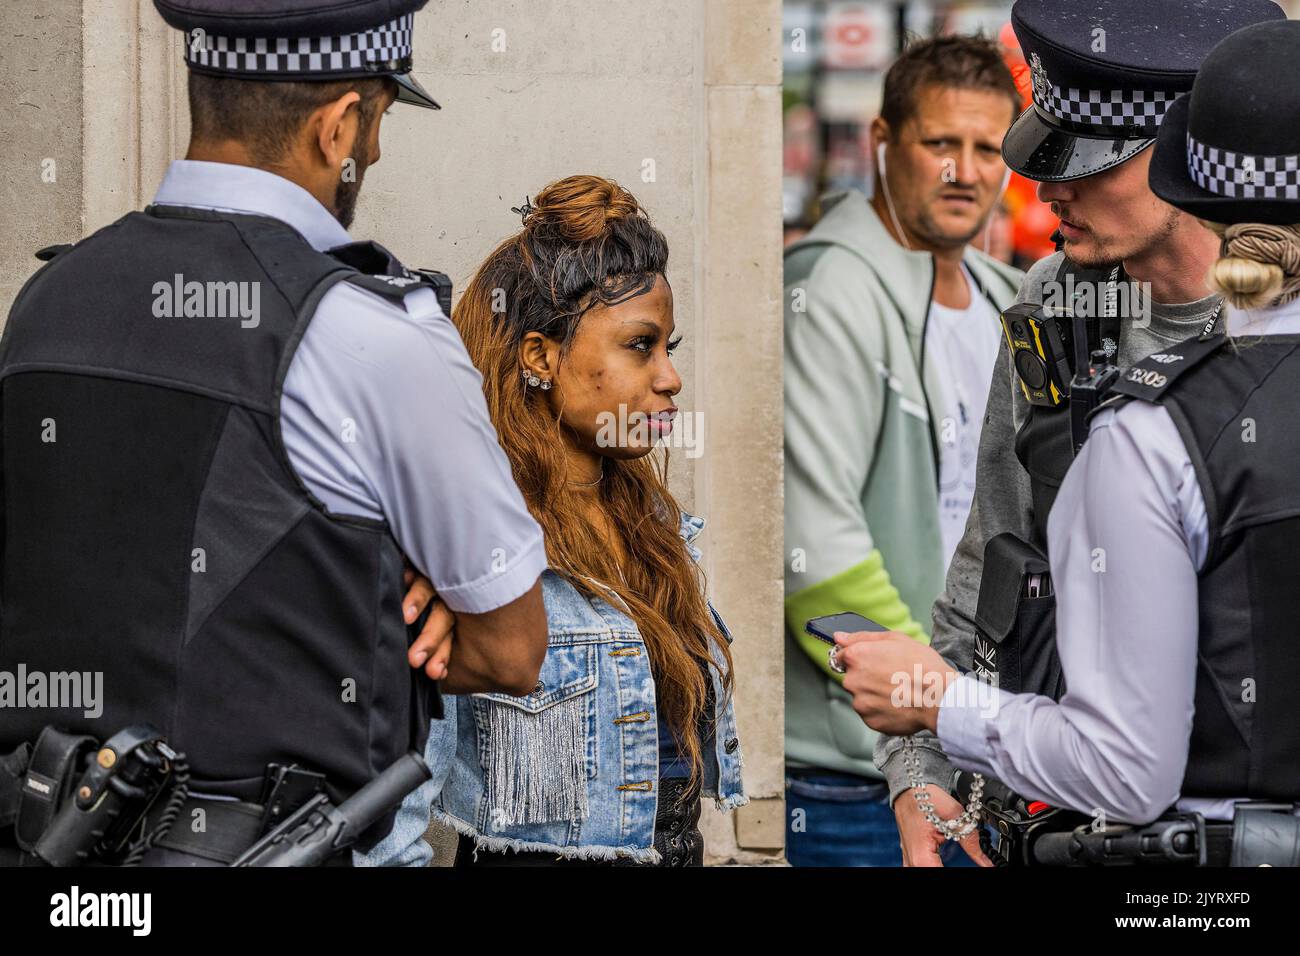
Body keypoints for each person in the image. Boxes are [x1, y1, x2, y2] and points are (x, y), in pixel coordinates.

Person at [0, 0, 548, 867]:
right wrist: (398, 599)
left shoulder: (47, 302)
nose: (374, 152)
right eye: (377, 124)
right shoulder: (376, 334)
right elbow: (513, 649)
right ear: (338, 127)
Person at [840, 17, 1300, 867]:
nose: (1049, 193)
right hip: (1063, 823)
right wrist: (921, 766)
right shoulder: (1058, 299)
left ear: (1184, 156)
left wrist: (940, 708)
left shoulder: (1275, 333)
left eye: (1088, 163)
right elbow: (992, 563)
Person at [389, 175, 742, 867]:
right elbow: (394, 801)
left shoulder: (657, 532)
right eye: (640, 346)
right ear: (540, 357)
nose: (670, 377)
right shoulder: (469, 545)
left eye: (671, 347)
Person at [782, 34, 1024, 867]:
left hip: (974, 750)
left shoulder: (1006, 299)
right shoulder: (831, 290)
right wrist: (918, 715)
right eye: (940, 143)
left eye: (988, 147)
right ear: (883, 144)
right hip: (854, 773)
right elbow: (813, 543)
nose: (965, 171)